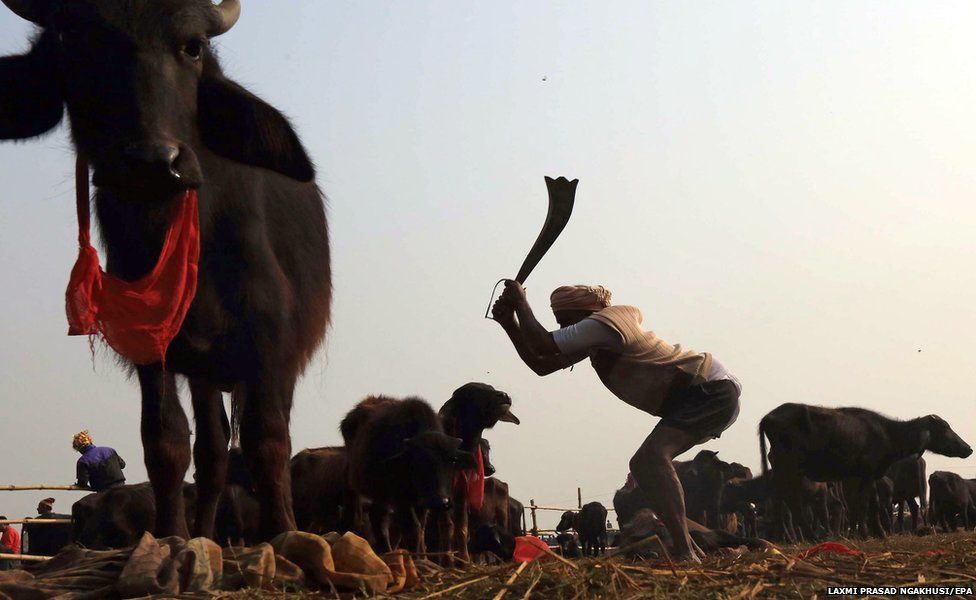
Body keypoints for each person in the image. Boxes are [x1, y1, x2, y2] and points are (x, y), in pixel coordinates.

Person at [492, 282, 741, 562]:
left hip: (708, 388)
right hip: (696, 395)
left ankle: (684, 551)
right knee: (644, 464)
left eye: (566, 322)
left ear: (585, 312)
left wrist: (521, 303)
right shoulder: (598, 338)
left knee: (654, 458)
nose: (565, 329)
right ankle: (688, 549)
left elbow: (543, 343)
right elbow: (542, 364)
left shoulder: (606, 321)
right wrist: (509, 323)